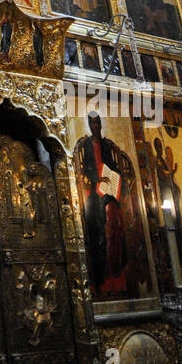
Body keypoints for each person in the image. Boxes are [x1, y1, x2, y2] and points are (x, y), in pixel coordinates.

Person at [75, 112, 145, 297]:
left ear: (100, 124)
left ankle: (117, 272)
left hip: (109, 190)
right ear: (89, 125)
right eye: (92, 123)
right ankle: (100, 278)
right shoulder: (87, 146)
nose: (95, 126)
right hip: (94, 190)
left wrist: (111, 177)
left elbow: (114, 166)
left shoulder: (106, 145)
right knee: (98, 227)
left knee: (115, 226)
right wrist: (97, 178)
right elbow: (85, 167)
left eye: (97, 123)